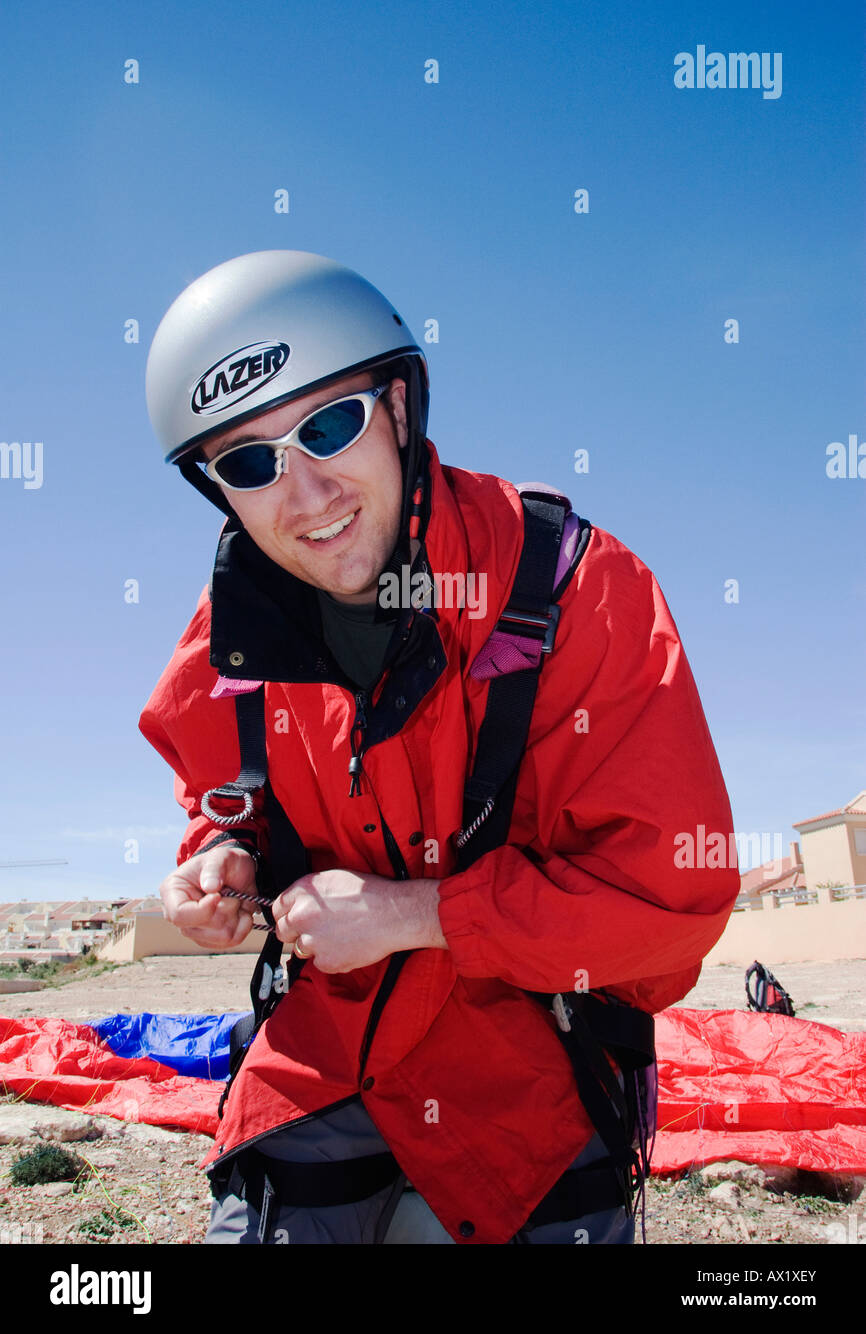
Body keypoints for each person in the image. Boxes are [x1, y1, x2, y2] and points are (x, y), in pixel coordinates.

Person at [139, 249, 738, 1245]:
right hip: (324, 1059)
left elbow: (666, 901)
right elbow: (223, 794)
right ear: (218, 492)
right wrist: (216, 861)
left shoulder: (574, 591)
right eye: (249, 462)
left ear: (401, 410)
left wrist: (414, 914)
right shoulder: (226, 643)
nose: (307, 493)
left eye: (329, 426)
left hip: (531, 1084)